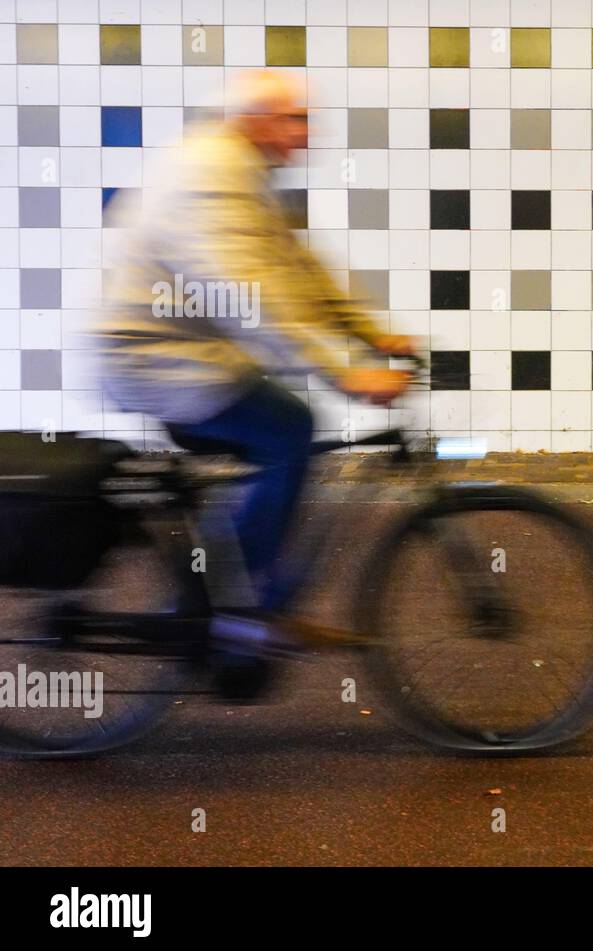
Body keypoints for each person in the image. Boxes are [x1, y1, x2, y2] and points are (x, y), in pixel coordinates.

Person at [97, 70, 411, 651]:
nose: (307, 136)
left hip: (183, 356)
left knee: (280, 432)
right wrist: (345, 372)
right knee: (289, 427)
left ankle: (230, 590)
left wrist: (374, 335)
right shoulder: (211, 176)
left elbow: (297, 269)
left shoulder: (241, 171)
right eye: (296, 120)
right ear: (257, 119)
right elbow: (248, 295)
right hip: (152, 359)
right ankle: (234, 610)